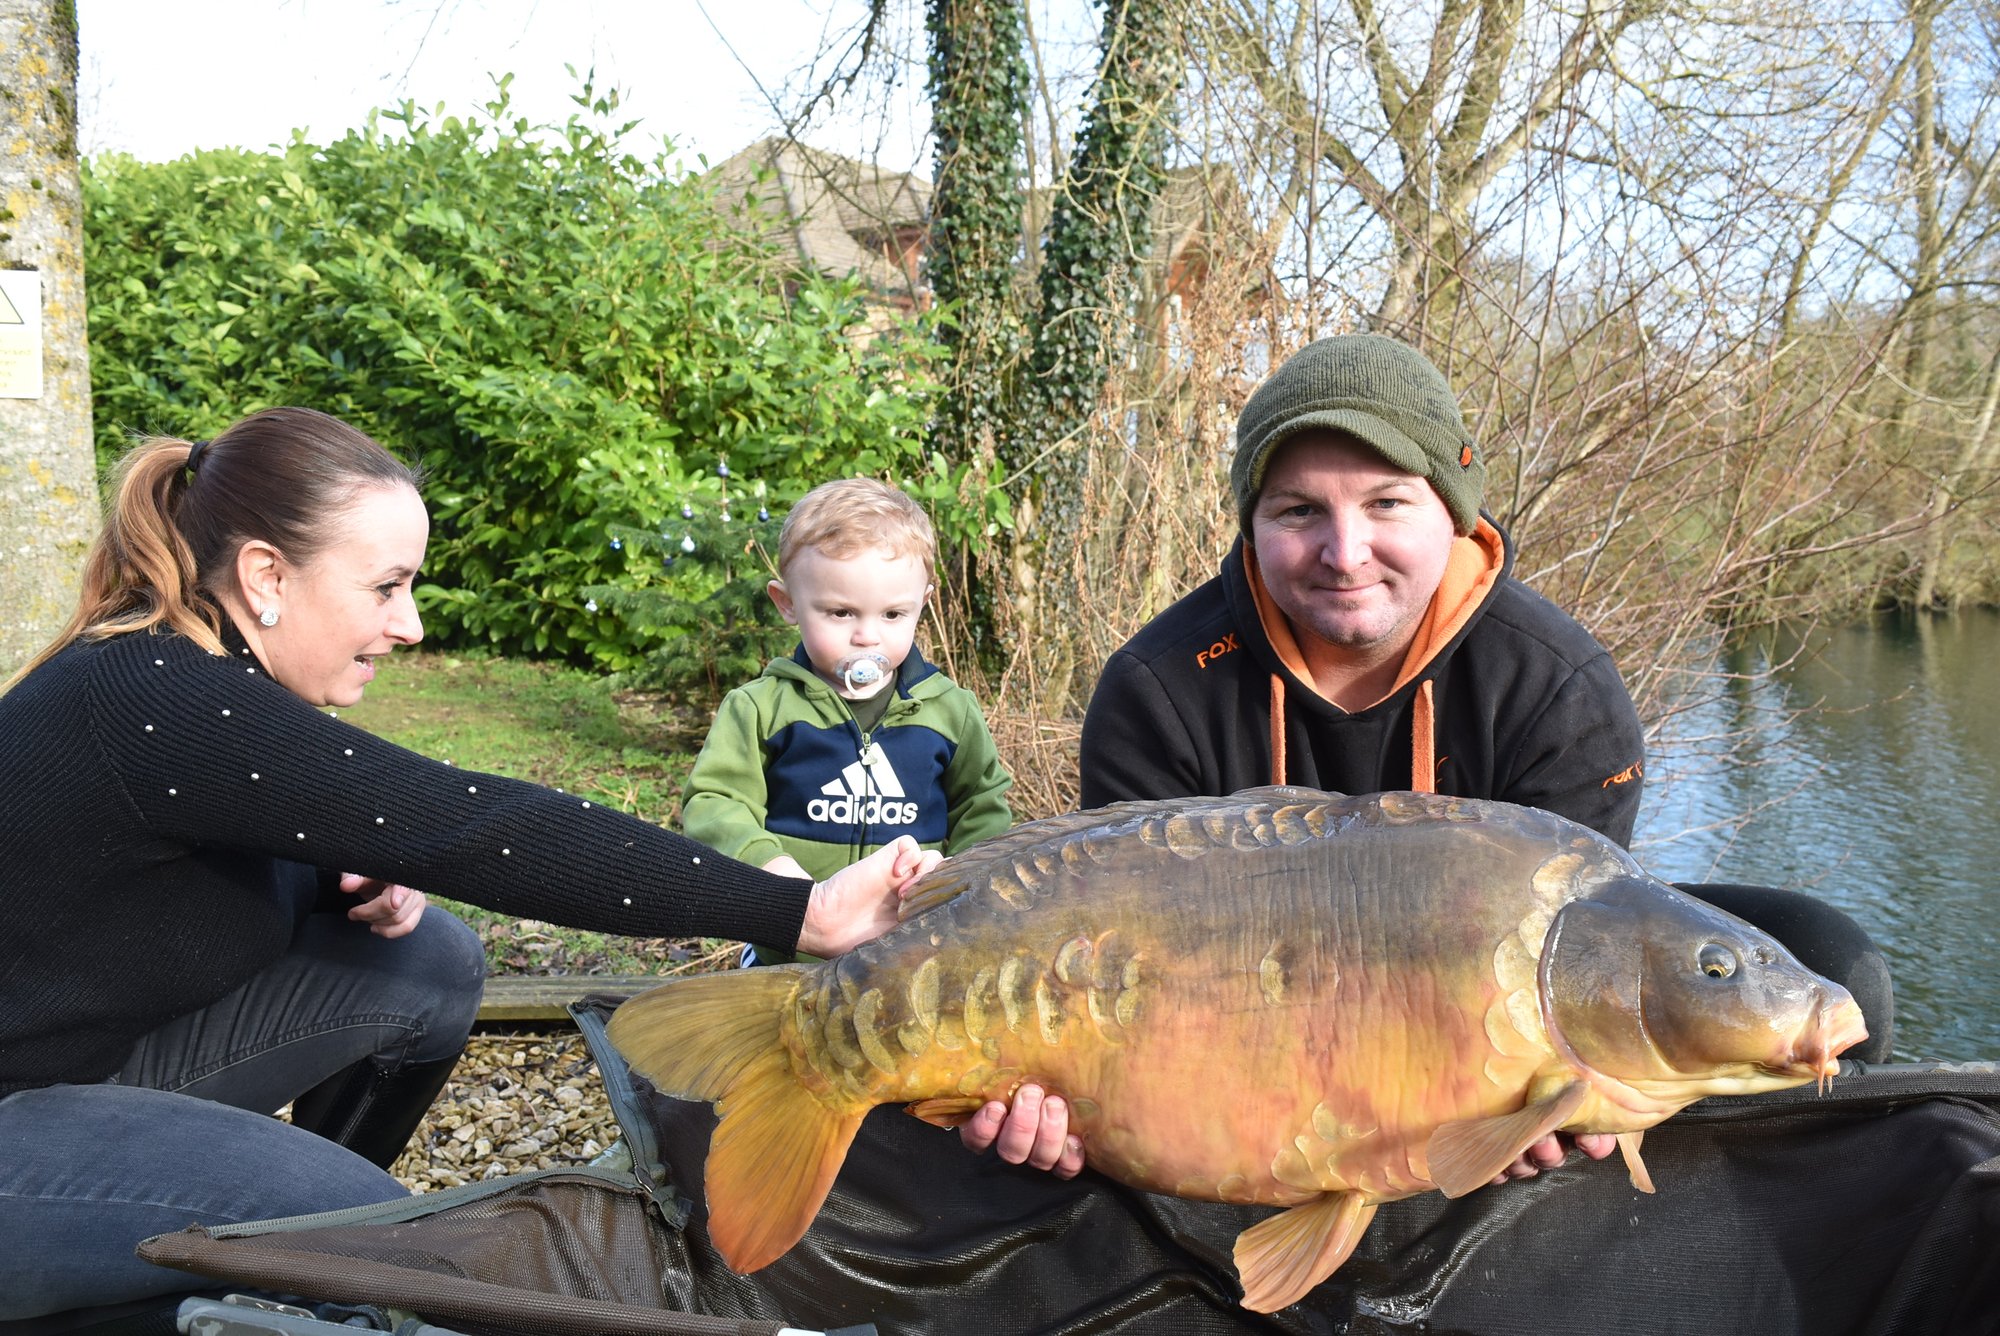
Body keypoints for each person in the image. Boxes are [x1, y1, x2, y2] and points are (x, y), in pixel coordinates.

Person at [0, 409, 1059, 1322]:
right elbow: (475, 827)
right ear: (266, 576)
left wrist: (329, 877)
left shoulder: (194, 673)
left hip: (80, 1068)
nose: (410, 624)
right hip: (15, 1120)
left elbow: (143, 878)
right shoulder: (158, 697)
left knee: (422, 965)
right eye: (387, 587)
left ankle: (289, 1259)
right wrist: (800, 910)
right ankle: (267, 1281)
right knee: (370, 1239)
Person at [1048, 332, 1894, 1175]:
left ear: (1452, 513)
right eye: (1298, 511)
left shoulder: (1558, 686)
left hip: (1483, 1003)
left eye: (1387, 503)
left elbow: (1571, 963)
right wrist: (1064, 1098)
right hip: (1235, 1012)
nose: (1345, 553)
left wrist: (1535, 1108)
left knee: (1829, 956)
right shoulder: (1157, 689)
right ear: (1253, 522)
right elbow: (1117, 959)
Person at [681, 477, 1014, 966]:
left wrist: (955, 877)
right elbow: (715, 801)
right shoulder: (760, 708)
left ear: (922, 604)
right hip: (787, 950)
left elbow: (982, 808)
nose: (867, 637)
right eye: (840, 613)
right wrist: (775, 877)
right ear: (787, 603)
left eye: (893, 614)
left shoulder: (950, 711)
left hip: (912, 949)